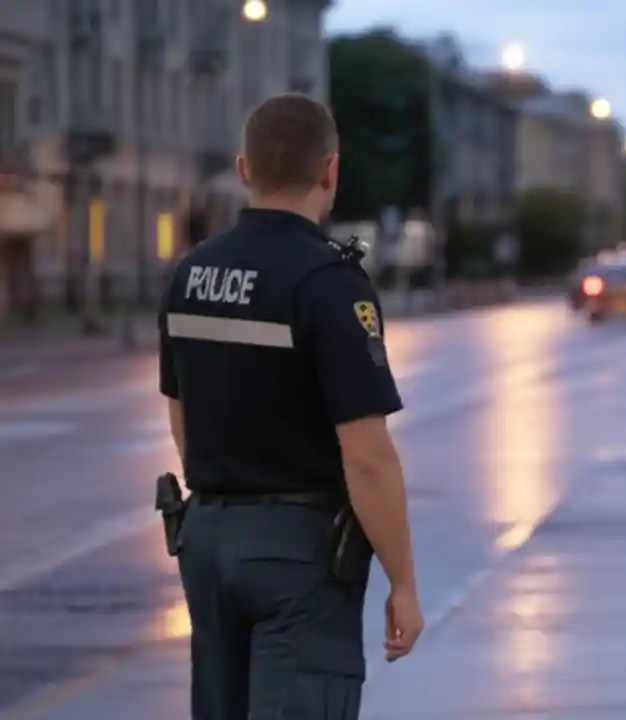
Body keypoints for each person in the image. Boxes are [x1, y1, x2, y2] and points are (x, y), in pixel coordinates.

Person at [158, 93, 422, 719]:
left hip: (209, 540)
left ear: (245, 170)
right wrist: (402, 580)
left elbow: (180, 417)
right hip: (298, 556)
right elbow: (367, 457)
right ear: (330, 171)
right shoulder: (328, 284)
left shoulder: (190, 274)